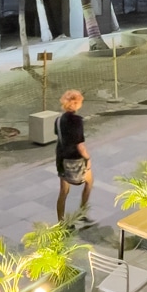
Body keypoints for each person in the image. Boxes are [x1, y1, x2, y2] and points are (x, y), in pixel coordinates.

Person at [55, 89, 92, 220]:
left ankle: (61, 220)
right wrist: (88, 158)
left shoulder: (59, 120)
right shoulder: (77, 121)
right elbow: (80, 145)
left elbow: (60, 137)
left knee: (63, 191)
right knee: (89, 182)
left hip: (62, 159)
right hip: (75, 159)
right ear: (75, 103)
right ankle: (82, 211)